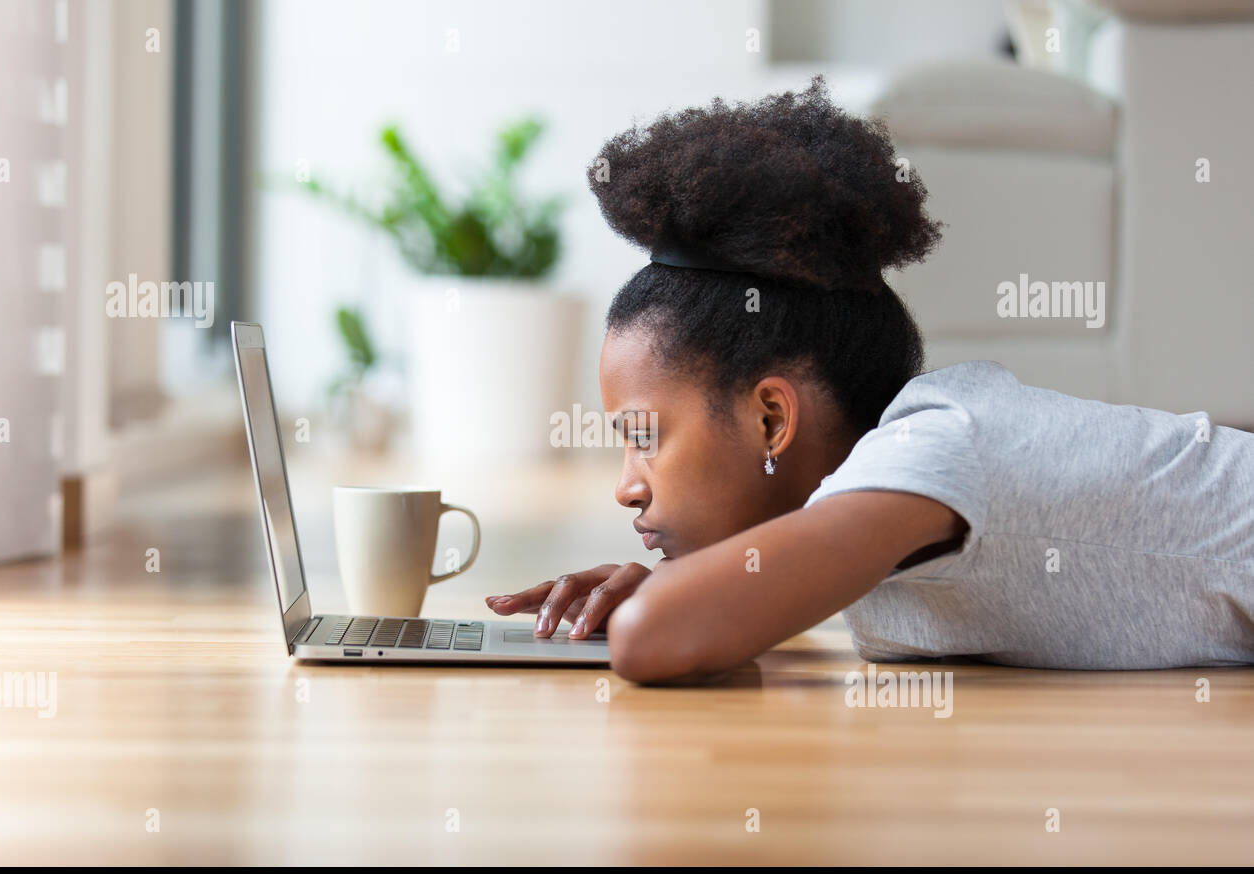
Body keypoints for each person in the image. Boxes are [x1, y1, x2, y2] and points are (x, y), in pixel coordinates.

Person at [485, 75, 1254, 683]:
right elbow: (715, 627)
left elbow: (659, 640)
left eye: (644, 438)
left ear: (771, 421)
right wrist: (690, 595)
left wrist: (658, 603)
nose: (627, 486)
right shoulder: (880, 502)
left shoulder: (935, 448)